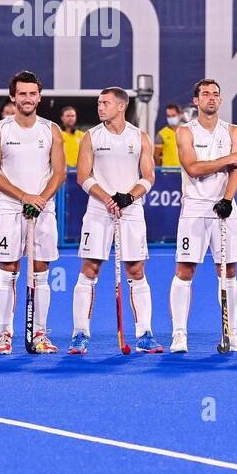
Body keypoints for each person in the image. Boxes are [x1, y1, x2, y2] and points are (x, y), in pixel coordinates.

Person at [70, 87, 161, 354]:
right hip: (99, 211)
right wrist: (108, 197)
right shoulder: (91, 137)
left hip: (130, 212)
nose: (100, 107)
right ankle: (80, 334)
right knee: (89, 269)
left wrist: (128, 197)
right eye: (99, 103)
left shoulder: (140, 137)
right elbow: (83, 176)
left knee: (136, 271)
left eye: (105, 103)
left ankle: (145, 333)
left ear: (121, 106)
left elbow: (148, 177)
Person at [0, 70, 65, 355]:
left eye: (32, 93)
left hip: (43, 210)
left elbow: (60, 173)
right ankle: (4, 335)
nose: (27, 99)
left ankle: (40, 333)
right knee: (8, 271)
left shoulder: (51, 130)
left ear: (39, 97)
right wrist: (23, 196)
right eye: (22, 94)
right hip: (9, 210)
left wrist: (40, 199)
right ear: (12, 97)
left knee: (41, 271)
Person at [168, 78, 237, 353]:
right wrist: (227, 160)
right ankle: (179, 333)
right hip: (195, 208)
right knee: (185, 270)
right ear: (196, 100)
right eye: (205, 94)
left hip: (225, 209)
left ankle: (233, 332)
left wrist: (227, 199)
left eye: (216, 94)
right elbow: (192, 167)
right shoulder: (185, 132)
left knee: (228, 270)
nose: (211, 98)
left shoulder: (233, 131)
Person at [156, 103, 182, 167]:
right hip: (167, 171)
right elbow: (156, 156)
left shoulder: (187, 131)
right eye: (168, 116)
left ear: (180, 115)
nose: (171, 118)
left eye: (173, 116)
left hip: (184, 171)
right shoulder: (161, 134)